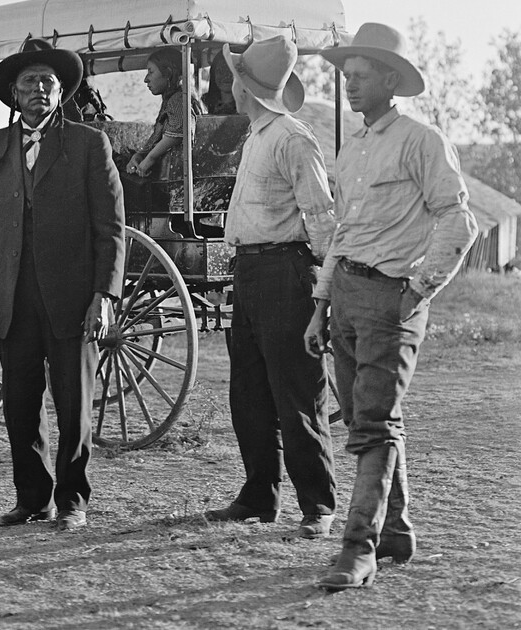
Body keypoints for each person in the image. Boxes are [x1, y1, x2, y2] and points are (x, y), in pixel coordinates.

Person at [305, 23, 478, 590]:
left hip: (391, 297)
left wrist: (418, 287)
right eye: (346, 75)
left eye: (360, 76)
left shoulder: (421, 140)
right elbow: (344, 232)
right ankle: (395, 531)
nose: (349, 85)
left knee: (373, 423)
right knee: (364, 419)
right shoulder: (352, 146)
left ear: (390, 78)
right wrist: (321, 304)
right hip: (348, 296)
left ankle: (358, 549)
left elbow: (458, 218)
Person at [0, 39, 126, 531]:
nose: (40, 88)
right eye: (29, 81)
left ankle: (73, 500)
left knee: (74, 401)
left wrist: (104, 296)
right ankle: (32, 498)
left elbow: (112, 227)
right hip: (10, 295)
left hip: (73, 296)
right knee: (19, 402)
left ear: (61, 92)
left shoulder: (87, 143)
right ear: (13, 93)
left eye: (48, 82)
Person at [205, 36, 339, 539]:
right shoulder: (257, 135)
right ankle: (260, 495)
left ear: (242, 89)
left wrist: (324, 296)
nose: (228, 87)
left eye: (231, 80)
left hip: (288, 272)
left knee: (297, 393)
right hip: (251, 271)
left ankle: (318, 506)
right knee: (250, 394)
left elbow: (323, 221)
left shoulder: (292, 138)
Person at [126, 48, 205, 177]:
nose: (146, 79)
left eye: (151, 72)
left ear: (168, 73)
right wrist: (140, 154)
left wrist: (149, 159)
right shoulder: (170, 101)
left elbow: (180, 129)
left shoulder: (178, 99)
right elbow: (158, 136)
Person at [203, 50, 237, 115]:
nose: (225, 76)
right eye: (220, 71)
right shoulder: (204, 102)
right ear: (213, 74)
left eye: (230, 70)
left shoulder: (247, 104)